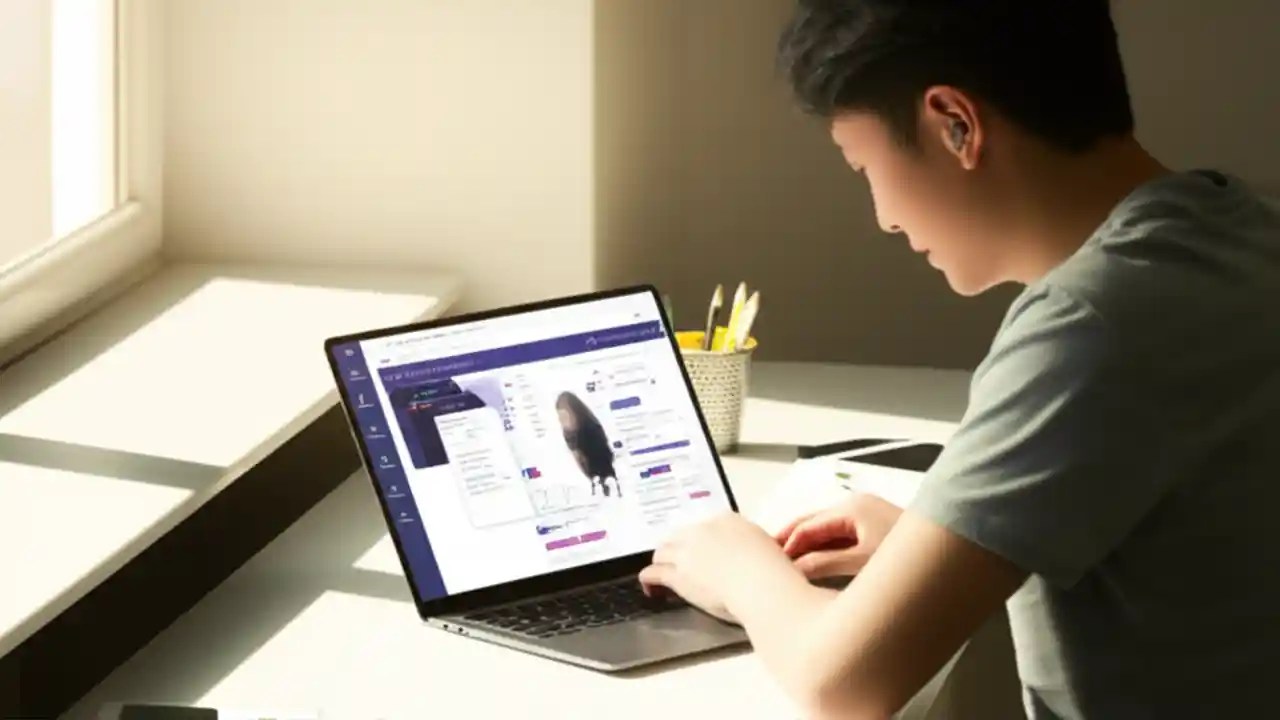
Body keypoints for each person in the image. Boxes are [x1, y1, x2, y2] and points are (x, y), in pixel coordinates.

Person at [637, 2, 1280, 718]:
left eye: (863, 166)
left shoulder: (1089, 322)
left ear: (956, 125)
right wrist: (937, 538)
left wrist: (739, 565)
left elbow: (842, 685)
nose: (882, 216)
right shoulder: (1242, 231)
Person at [555, 391, 621, 497]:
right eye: (560, 417)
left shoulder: (592, 434)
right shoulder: (569, 441)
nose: (563, 421)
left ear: (576, 413)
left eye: (565, 415)